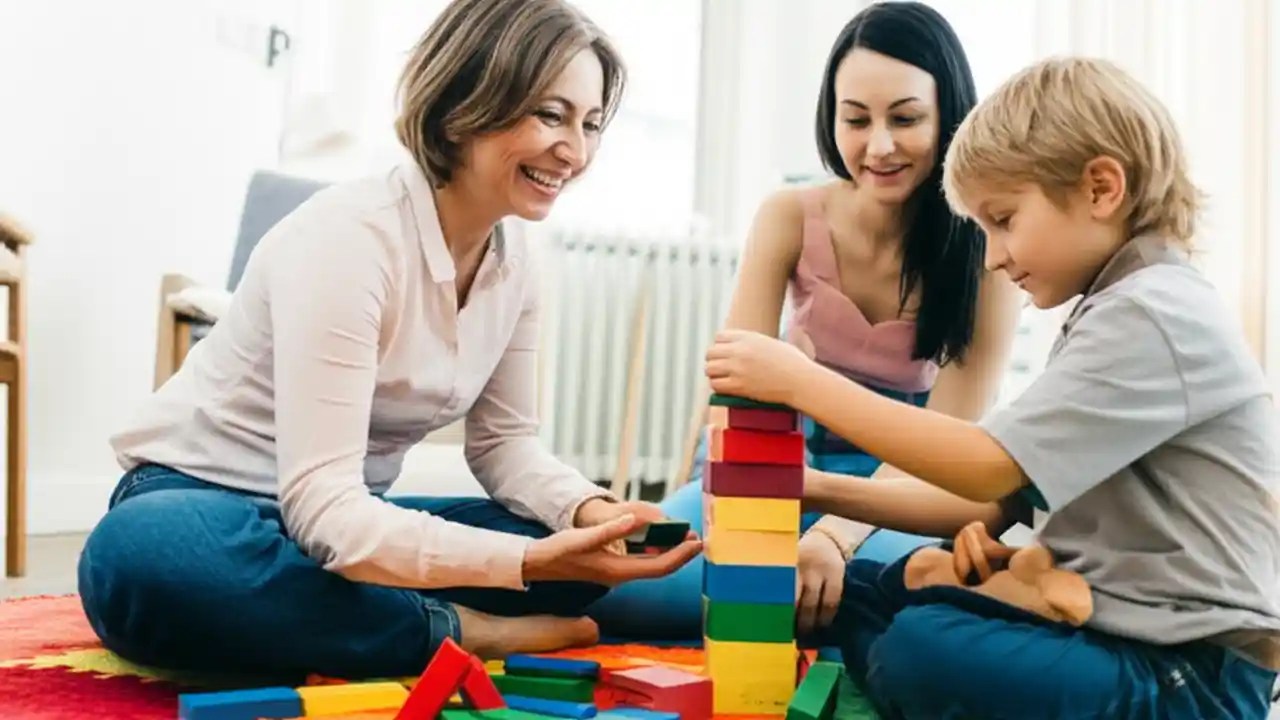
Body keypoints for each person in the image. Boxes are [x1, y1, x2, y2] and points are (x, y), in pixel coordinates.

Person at [76, 0, 700, 680]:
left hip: (337, 522)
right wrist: (521, 567)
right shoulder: (349, 238)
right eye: (550, 115)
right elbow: (323, 507)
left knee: (565, 550)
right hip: (199, 502)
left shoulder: (518, 262)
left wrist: (591, 512)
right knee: (142, 560)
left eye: (590, 125)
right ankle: (454, 630)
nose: (575, 151)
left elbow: (505, 447)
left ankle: (363, 617)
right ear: (467, 100)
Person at [706, 55, 1280, 719]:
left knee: (916, 648)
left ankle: (949, 634)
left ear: (1100, 189)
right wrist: (812, 488)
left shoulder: (1154, 311)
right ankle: (973, 612)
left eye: (1003, 220)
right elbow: (989, 506)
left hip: (1190, 671)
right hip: (1117, 629)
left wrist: (802, 383)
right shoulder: (1112, 306)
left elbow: (984, 466)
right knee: (860, 589)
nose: (993, 254)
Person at [587, 0, 1023, 640]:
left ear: (950, 117)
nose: (878, 146)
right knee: (629, 591)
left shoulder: (984, 249)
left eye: (906, 119)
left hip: (894, 485)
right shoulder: (789, 215)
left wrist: (835, 539)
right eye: (855, 119)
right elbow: (736, 390)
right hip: (770, 461)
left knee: (880, 603)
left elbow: (945, 435)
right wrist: (752, 500)